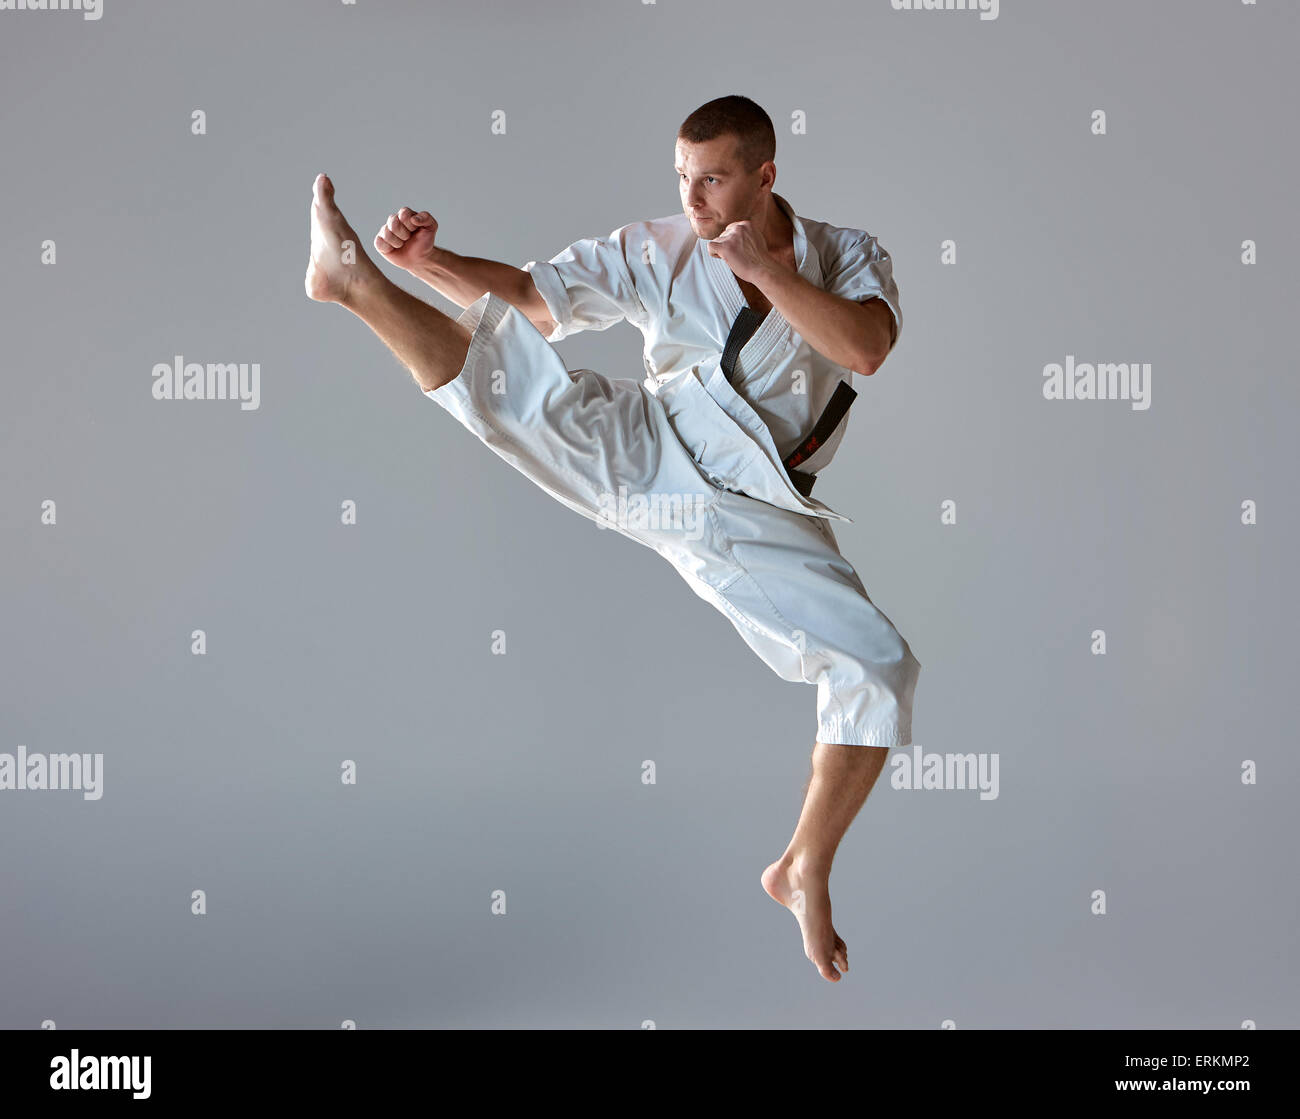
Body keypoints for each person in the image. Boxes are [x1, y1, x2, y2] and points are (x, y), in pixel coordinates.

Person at [304, 94, 921, 984]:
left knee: (879, 664)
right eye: (683, 177)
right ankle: (357, 275)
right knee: (522, 399)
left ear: (765, 175)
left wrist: (772, 274)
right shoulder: (659, 249)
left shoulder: (850, 254)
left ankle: (802, 864)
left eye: (712, 179)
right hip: (661, 448)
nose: (695, 198)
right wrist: (431, 260)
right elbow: (528, 300)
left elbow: (866, 348)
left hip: (765, 500)